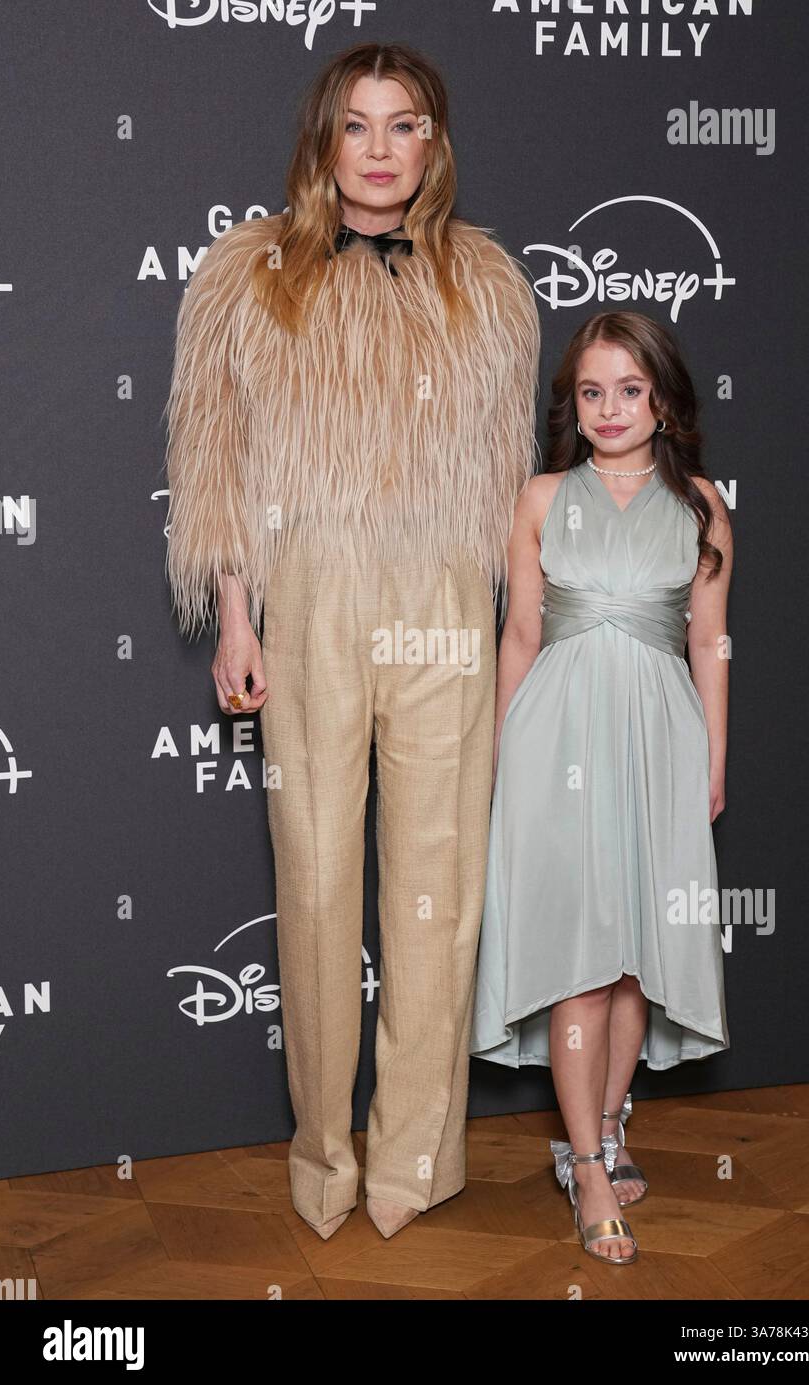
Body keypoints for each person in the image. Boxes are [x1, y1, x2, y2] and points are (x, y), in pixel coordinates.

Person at [163, 43, 540, 1241]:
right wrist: (236, 611)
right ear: (324, 139)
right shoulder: (246, 274)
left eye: (405, 124)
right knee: (317, 882)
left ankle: (415, 1163)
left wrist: (509, 629)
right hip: (310, 592)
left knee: (437, 895)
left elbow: (508, 489)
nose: (379, 148)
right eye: (357, 125)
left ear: (433, 143)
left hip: (444, 597)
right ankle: (322, 1160)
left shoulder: (488, 284)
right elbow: (211, 459)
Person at [470, 311, 731, 1264]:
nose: (610, 408)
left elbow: (709, 643)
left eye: (629, 389)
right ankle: (585, 1165)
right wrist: (504, 758)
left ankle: (611, 1126)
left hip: (660, 742)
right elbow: (520, 638)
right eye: (591, 392)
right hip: (557, 741)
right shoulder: (540, 498)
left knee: (631, 966)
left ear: (661, 398)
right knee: (581, 962)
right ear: (570, 405)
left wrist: (710, 762)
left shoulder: (700, 504)